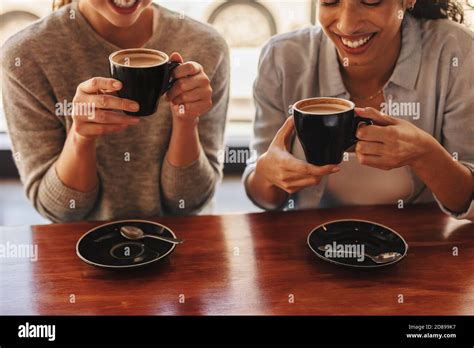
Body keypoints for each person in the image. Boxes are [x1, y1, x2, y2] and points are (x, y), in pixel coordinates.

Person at [2, 0, 230, 222]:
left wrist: (186, 121)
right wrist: (80, 137)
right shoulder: (25, 57)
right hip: (80, 247)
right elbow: (61, 211)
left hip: (182, 243)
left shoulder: (206, 46)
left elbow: (190, 201)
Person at [244, 0, 473, 220]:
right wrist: (267, 174)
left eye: (371, 1)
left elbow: (466, 200)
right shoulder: (283, 57)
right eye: (330, 2)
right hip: (309, 246)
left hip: (419, 248)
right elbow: (264, 199)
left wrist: (426, 155)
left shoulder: (456, 52)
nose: (347, 25)